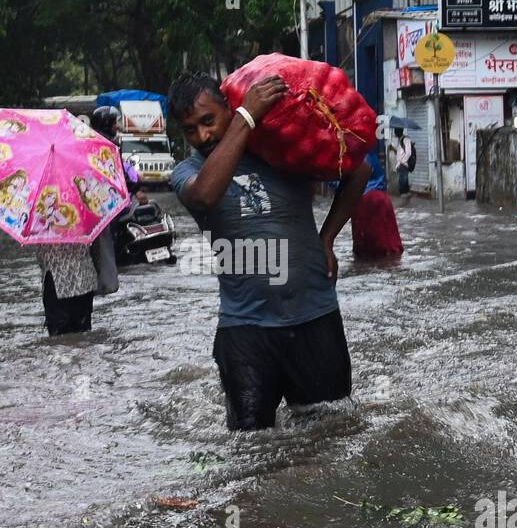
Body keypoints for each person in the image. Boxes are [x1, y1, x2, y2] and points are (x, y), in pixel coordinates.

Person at [168, 70, 370, 431]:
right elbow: (207, 194)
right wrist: (245, 119)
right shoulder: (189, 173)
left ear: (228, 106)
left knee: (332, 434)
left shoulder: (282, 152)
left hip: (315, 318)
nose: (202, 135)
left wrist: (327, 238)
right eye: (190, 129)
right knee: (251, 448)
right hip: (247, 330)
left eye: (209, 120)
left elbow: (359, 170)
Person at [35, 243, 96, 336]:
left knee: (58, 334)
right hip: (83, 280)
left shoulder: (44, 232)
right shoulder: (83, 230)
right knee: (83, 330)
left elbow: (41, 259)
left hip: (57, 284)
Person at [387, 127, 415, 196]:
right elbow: (400, 153)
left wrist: (402, 162)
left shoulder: (406, 139)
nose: (394, 133)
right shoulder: (400, 140)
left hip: (404, 165)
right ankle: (406, 203)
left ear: (398, 132)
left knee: (402, 186)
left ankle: (404, 202)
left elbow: (408, 153)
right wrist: (393, 149)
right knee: (404, 186)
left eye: (395, 132)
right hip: (400, 165)